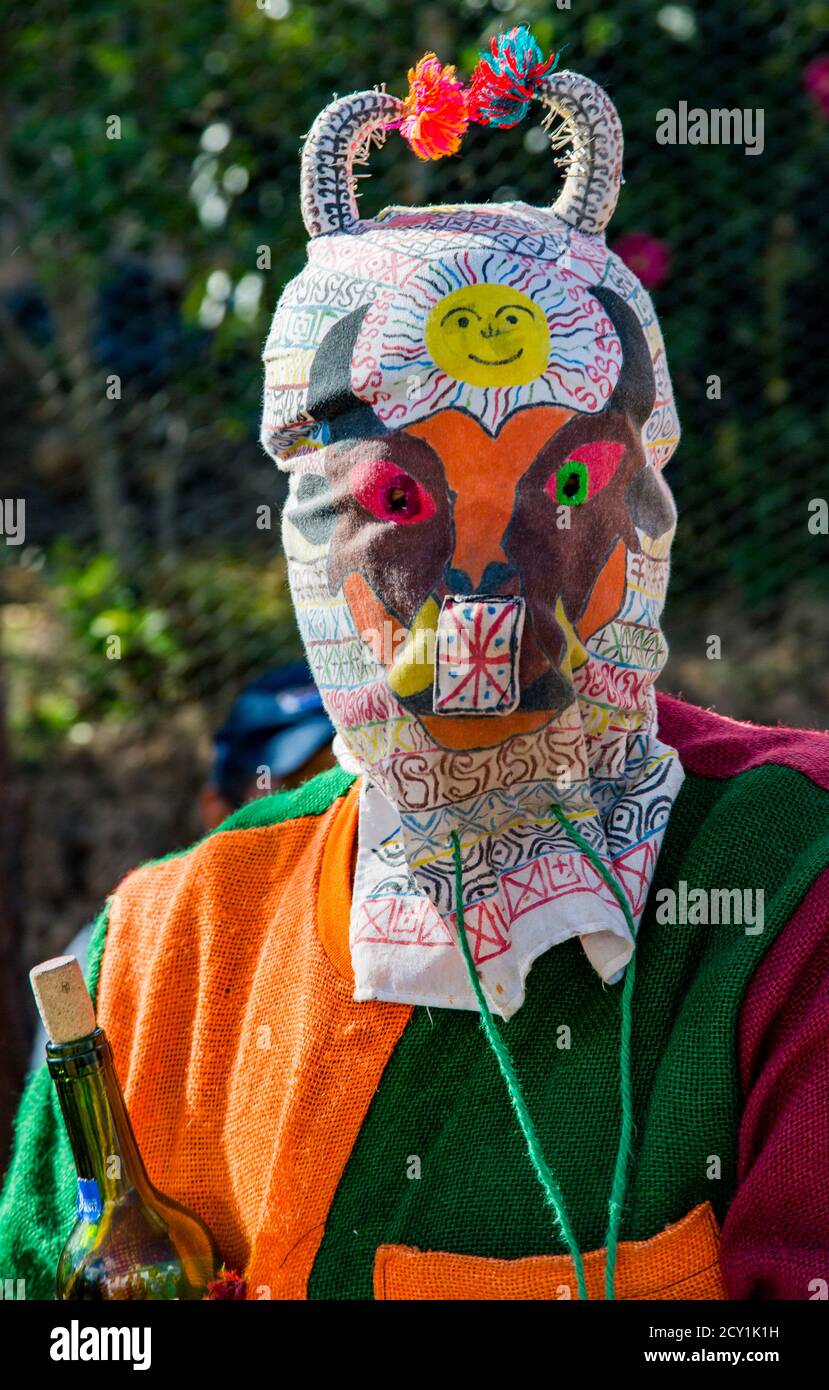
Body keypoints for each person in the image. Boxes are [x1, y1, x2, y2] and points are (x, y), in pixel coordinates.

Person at [1, 36, 827, 1302]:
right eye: (402, 497)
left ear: (648, 513)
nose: (490, 580)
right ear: (307, 532)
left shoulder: (790, 898)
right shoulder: (159, 969)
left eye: (565, 490)